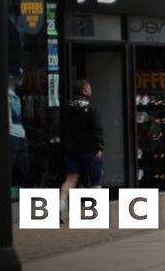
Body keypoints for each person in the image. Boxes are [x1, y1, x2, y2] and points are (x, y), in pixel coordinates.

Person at [60, 80, 104, 222]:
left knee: (70, 179)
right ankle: (95, 211)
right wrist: (99, 147)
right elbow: (97, 129)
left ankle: (61, 205)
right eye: (89, 88)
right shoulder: (91, 108)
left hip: (71, 150)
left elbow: (62, 128)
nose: (91, 91)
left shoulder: (66, 107)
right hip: (89, 150)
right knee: (95, 179)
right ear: (84, 90)